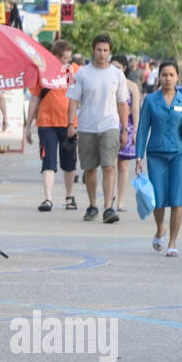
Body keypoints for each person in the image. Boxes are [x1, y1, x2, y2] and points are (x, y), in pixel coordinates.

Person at [135, 60, 182, 257]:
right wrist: (138, 157)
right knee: (158, 199)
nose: (168, 78)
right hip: (155, 154)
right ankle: (159, 229)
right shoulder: (150, 101)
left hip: (178, 155)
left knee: (177, 199)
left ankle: (172, 242)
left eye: (171, 75)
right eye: (164, 75)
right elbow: (142, 130)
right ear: (159, 77)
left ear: (178, 77)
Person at [66, 34, 130, 223]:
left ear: (110, 52)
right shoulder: (83, 73)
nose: (102, 54)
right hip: (87, 127)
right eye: (99, 50)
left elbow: (122, 103)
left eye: (105, 50)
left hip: (110, 126)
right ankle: (93, 205)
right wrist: (71, 124)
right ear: (93, 50)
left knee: (109, 166)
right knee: (90, 169)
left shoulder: (117, 75)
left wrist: (124, 129)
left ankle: (108, 208)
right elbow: (73, 100)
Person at [26, 39, 78, 212]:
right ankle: (48, 198)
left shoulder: (71, 71)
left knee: (69, 161)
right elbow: (34, 99)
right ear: (55, 57)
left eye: (70, 57)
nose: (68, 61)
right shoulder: (43, 72)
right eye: (65, 58)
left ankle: (70, 197)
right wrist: (27, 126)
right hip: (46, 123)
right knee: (48, 161)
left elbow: (77, 95)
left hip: (69, 123)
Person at [111, 54, 143, 213]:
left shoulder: (132, 86)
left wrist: (136, 131)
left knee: (123, 165)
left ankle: (120, 201)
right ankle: (109, 198)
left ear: (124, 68)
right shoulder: (107, 83)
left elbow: (136, 109)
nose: (114, 70)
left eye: (117, 67)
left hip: (127, 127)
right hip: (108, 126)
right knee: (108, 165)